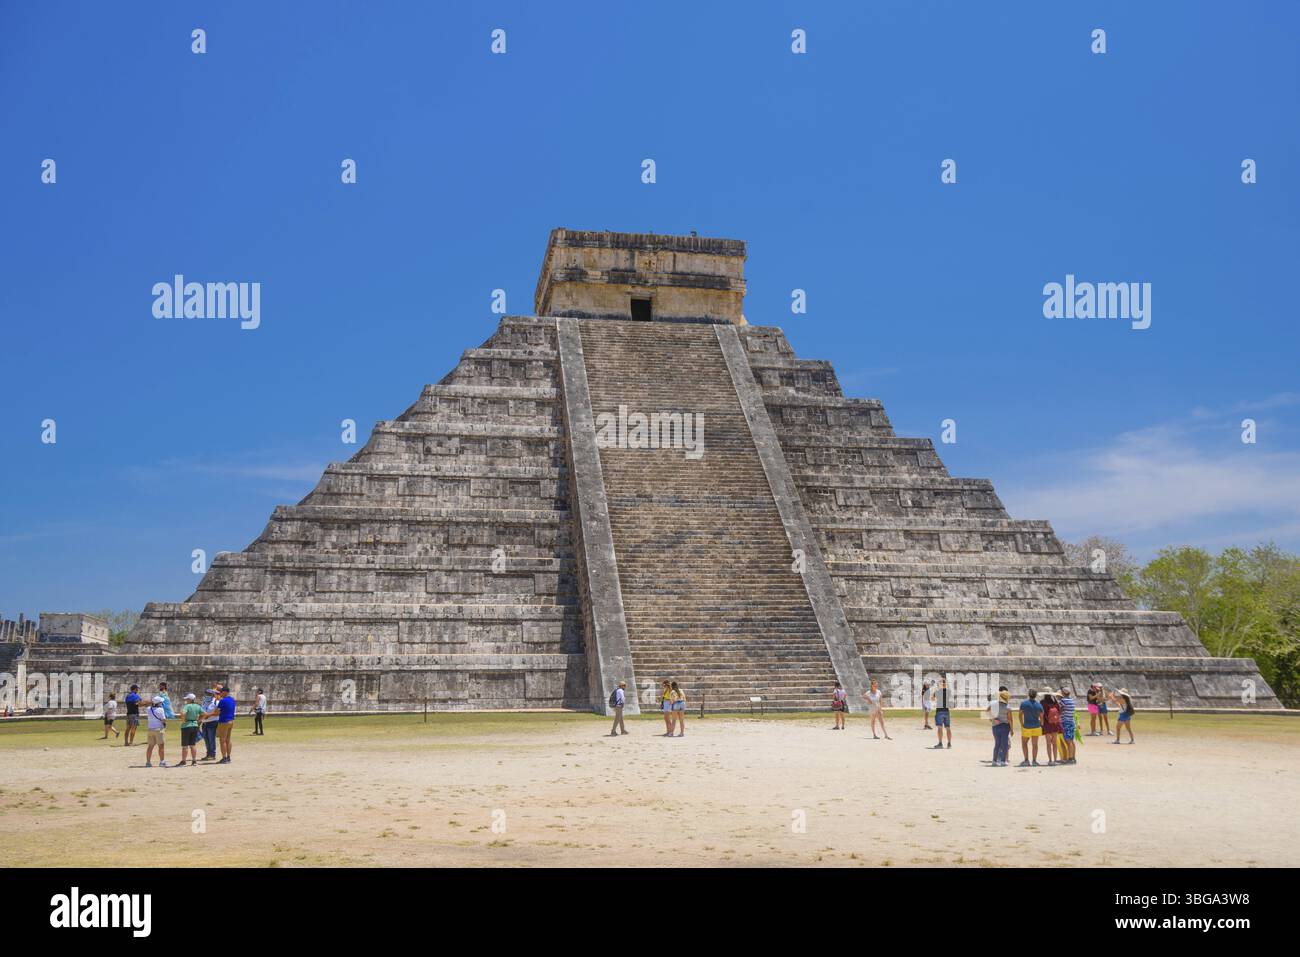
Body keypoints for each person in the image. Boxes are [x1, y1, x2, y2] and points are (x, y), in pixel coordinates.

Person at [202, 684, 237, 764]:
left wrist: (208, 715)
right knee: (228, 740)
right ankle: (228, 757)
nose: (219, 694)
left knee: (222, 740)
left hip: (224, 721)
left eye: (220, 692)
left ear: (225, 692)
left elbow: (217, 712)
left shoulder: (223, 701)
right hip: (231, 721)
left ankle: (224, 758)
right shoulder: (232, 700)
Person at [1018, 689, 1043, 767]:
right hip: (1036, 726)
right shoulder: (1039, 705)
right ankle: (1034, 761)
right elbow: (1041, 716)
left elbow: (1020, 714)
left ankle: (1026, 760)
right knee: (1035, 744)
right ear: (1035, 696)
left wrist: (1022, 723)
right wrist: (1041, 724)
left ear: (1029, 695)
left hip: (1027, 726)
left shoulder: (1024, 704)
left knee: (1024, 743)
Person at [178, 693, 203, 766]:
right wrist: (198, 720)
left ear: (189, 700)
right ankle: (194, 761)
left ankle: (183, 761)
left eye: (187, 699)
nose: (186, 700)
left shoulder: (187, 706)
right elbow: (204, 714)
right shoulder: (198, 706)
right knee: (193, 744)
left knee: (185, 745)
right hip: (195, 725)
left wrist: (183, 720)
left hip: (186, 726)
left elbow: (182, 713)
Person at [990, 686, 1012, 766]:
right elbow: (1010, 719)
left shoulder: (994, 704)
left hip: (995, 726)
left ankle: (994, 760)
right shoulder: (1008, 707)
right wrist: (1012, 729)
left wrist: (993, 719)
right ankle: (1003, 761)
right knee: (1004, 744)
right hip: (1005, 726)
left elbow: (987, 712)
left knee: (997, 744)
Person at [144, 695, 168, 767]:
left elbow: (147, 704)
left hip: (150, 729)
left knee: (150, 746)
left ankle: (148, 762)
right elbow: (164, 720)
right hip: (159, 729)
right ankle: (162, 761)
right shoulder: (161, 709)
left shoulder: (148, 709)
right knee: (161, 746)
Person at [930, 677, 953, 749]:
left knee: (940, 728)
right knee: (948, 728)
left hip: (939, 711)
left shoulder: (937, 692)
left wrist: (934, 689)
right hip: (946, 711)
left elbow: (932, 699)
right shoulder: (948, 691)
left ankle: (940, 743)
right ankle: (949, 744)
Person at [1040, 691, 1062, 765]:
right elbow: (1059, 712)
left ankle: (1050, 760)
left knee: (1048, 743)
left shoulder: (1042, 702)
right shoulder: (1055, 702)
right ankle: (1055, 760)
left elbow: (1041, 713)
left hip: (1047, 724)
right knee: (1054, 742)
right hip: (1055, 724)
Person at [1058, 686, 1078, 763]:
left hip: (1065, 722)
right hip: (1071, 721)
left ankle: (1070, 758)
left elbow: (1059, 710)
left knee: (1068, 741)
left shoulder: (1063, 701)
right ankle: (1073, 757)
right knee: (1071, 741)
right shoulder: (1071, 700)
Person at [199, 687, 219, 761]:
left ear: (213, 695)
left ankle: (212, 754)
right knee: (206, 740)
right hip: (204, 723)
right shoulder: (204, 702)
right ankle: (208, 754)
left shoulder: (216, 702)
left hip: (212, 723)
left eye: (209, 694)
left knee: (211, 739)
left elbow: (218, 713)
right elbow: (201, 712)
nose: (207, 695)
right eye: (206, 693)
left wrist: (209, 715)